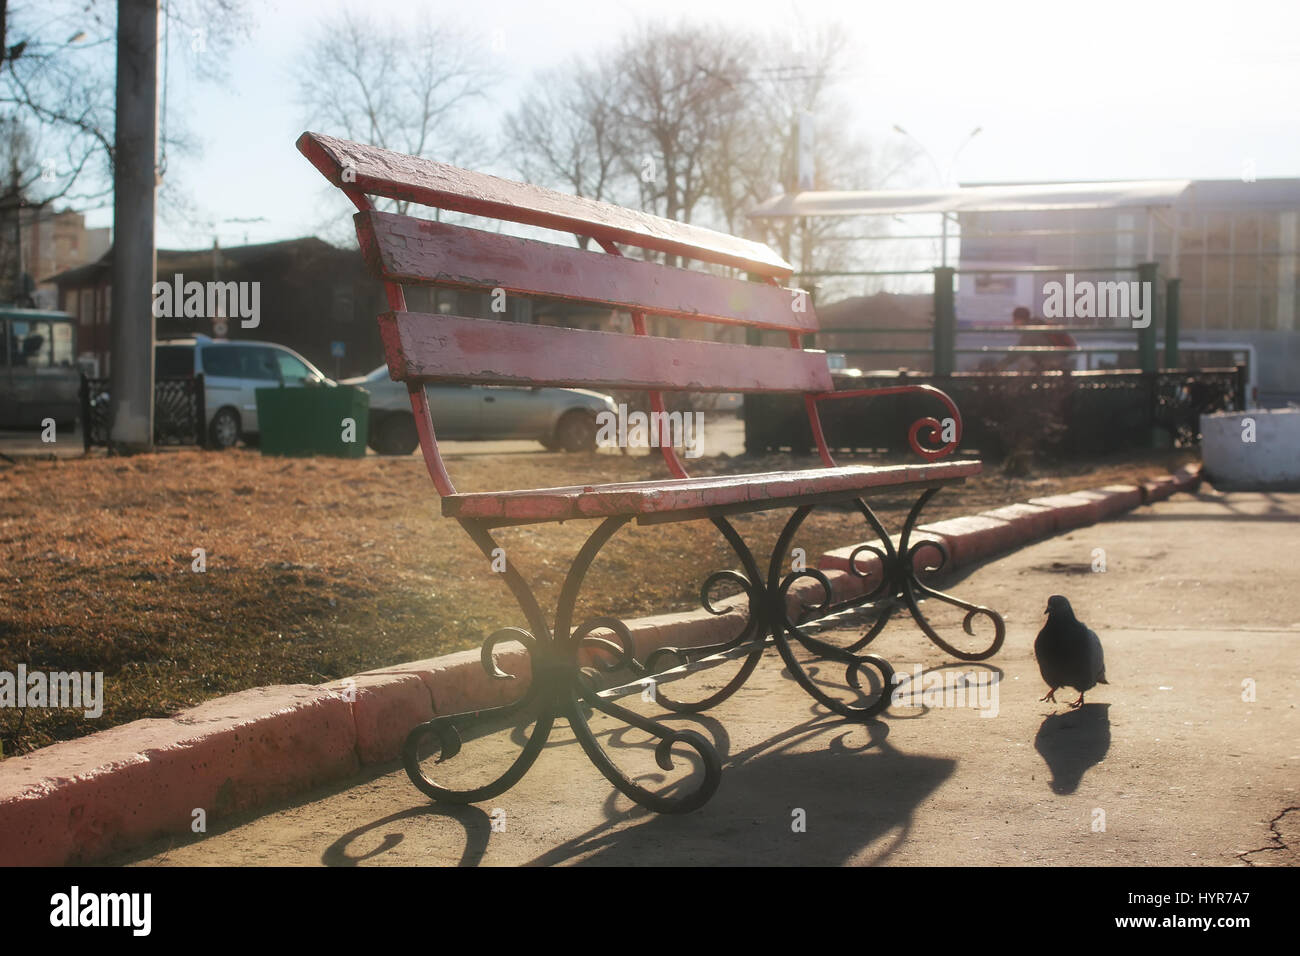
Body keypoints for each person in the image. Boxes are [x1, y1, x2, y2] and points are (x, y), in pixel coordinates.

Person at [997, 306, 1076, 371]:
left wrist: (1003, 364)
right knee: (1024, 361)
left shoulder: (1031, 331)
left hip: (1052, 364)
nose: (1013, 324)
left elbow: (1018, 351)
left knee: (1023, 362)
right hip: (1057, 361)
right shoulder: (1036, 325)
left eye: (1014, 320)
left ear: (1019, 320)